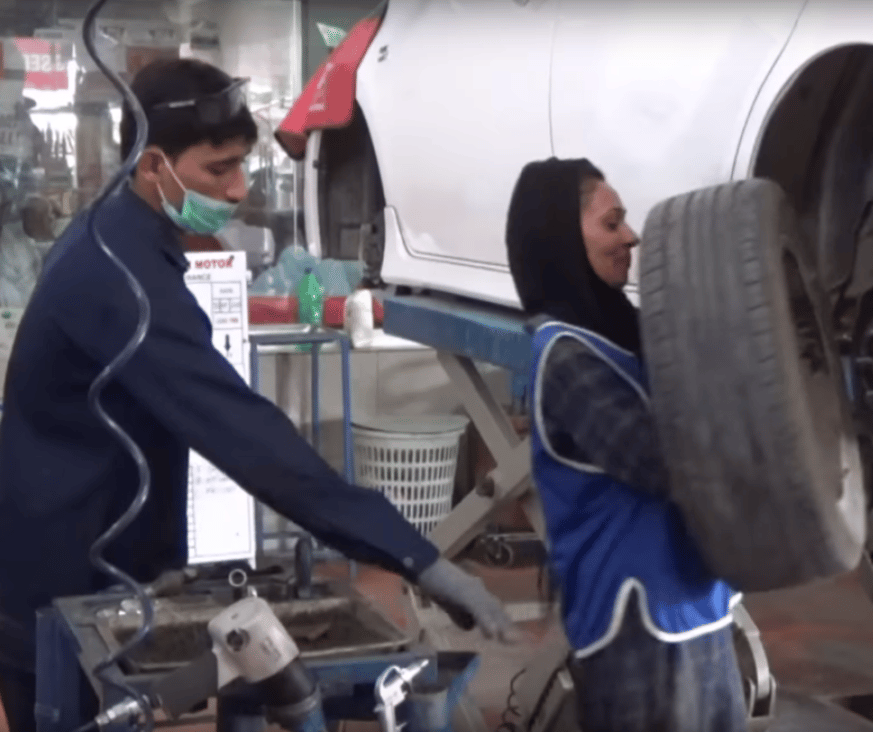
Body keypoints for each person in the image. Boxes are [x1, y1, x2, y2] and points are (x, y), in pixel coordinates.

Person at [0, 58, 515, 732]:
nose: (239, 188)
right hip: (62, 575)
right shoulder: (118, 281)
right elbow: (247, 437)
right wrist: (416, 557)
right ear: (153, 165)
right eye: (219, 169)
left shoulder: (119, 238)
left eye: (243, 164)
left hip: (78, 553)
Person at [505, 157, 749, 732]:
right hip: (634, 619)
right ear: (563, 238)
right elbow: (658, 461)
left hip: (693, 597)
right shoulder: (563, 354)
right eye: (611, 224)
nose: (631, 236)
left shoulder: (623, 331)